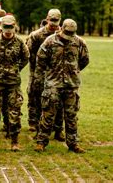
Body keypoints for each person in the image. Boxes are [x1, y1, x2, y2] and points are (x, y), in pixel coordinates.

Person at [34, 19, 90, 153]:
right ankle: (41, 142)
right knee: (48, 114)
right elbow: (41, 59)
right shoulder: (50, 41)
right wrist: (47, 75)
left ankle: (73, 143)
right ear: (61, 29)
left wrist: (73, 71)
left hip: (71, 85)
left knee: (71, 115)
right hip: (53, 84)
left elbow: (84, 60)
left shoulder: (79, 42)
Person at [0, 15, 29, 152]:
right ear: (1, 27)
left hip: (13, 82)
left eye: (10, 28)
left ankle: (14, 142)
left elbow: (26, 58)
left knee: (14, 112)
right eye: (5, 28)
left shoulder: (20, 43)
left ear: (14, 27)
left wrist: (16, 69)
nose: (8, 31)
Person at [26, 9, 65, 140]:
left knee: (59, 102)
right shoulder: (36, 35)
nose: (54, 24)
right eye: (51, 20)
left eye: (56, 21)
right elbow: (28, 54)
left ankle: (58, 130)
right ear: (47, 19)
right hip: (39, 73)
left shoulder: (63, 35)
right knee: (38, 100)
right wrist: (36, 72)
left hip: (56, 75)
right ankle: (38, 128)